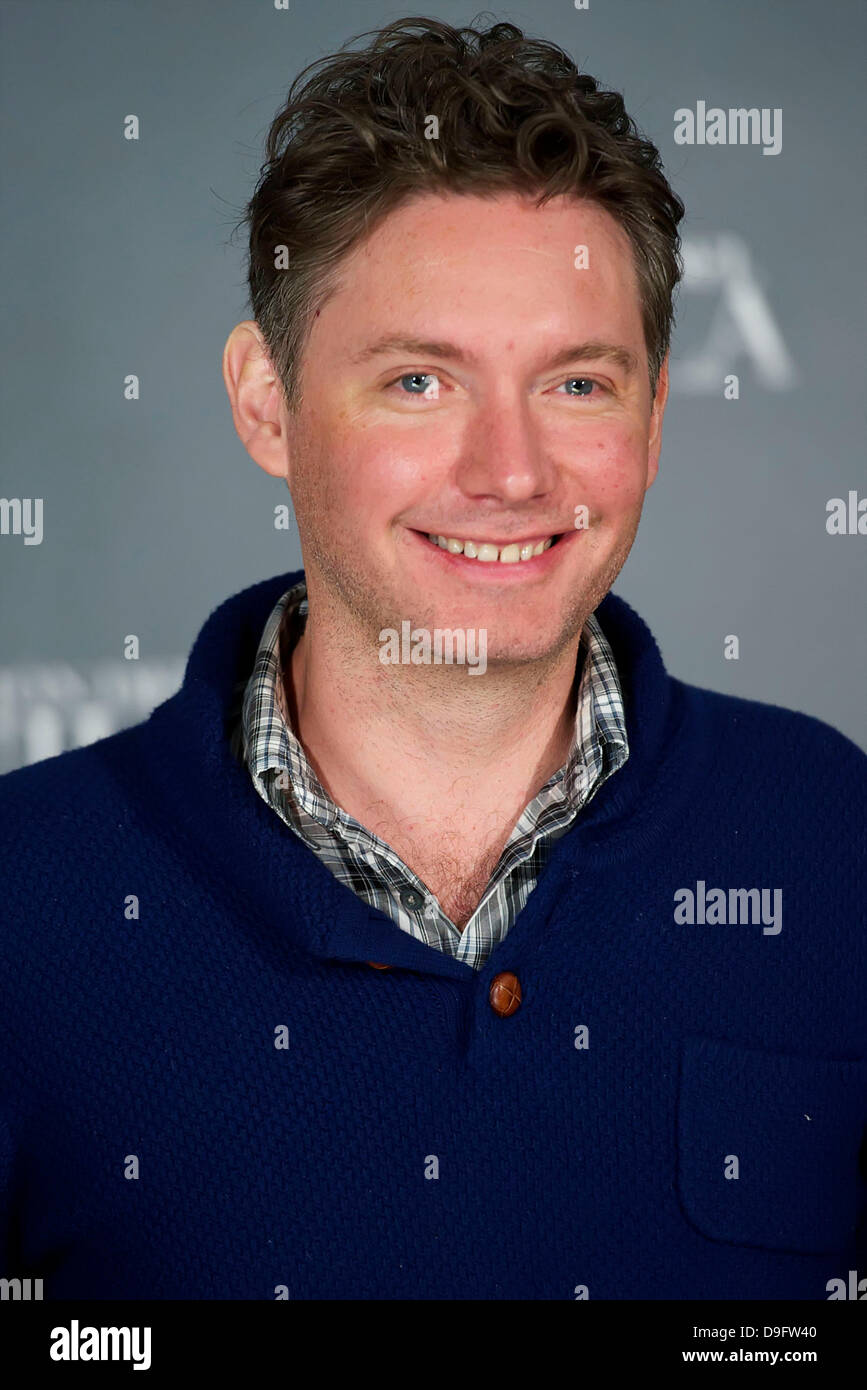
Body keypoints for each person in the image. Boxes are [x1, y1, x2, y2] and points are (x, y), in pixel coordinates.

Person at [1, 16, 865, 1301]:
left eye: (578, 384)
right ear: (265, 404)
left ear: (657, 412)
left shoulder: (831, 839)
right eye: (419, 382)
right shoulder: (25, 898)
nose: (510, 472)